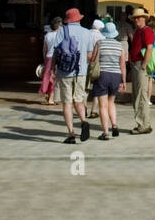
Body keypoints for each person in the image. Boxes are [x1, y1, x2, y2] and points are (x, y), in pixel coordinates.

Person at [52, 8, 95, 143]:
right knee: (79, 100)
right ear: (79, 19)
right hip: (81, 72)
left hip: (65, 72)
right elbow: (89, 55)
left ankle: (71, 134)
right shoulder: (87, 33)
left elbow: (55, 52)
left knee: (67, 103)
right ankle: (83, 121)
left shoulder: (62, 31)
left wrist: (53, 68)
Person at [88, 20, 127, 139]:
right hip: (116, 76)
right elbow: (123, 65)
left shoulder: (100, 43)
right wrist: (124, 81)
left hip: (102, 75)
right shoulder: (120, 46)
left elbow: (93, 59)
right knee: (111, 102)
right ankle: (114, 125)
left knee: (102, 105)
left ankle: (105, 132)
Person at [127, 7, 155, 134]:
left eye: (138, 18)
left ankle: (143, 125)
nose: (136, 20)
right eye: (135, 18)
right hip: (136, 64)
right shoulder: (138, 31)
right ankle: (144, 123)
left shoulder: (147, 31)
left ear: (144, 18)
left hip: (140, 65)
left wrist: (144, 64)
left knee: (140, 96)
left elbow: (149, 48)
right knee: (137, 95)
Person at [39, 16, 61, 105]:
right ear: (59, 26)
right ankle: (51, 99)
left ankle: (48, 96)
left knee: (48, 77)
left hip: (48, 57)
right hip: (56, 58)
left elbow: (44, 49)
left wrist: (45, 59)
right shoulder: (60, 35)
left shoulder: (47, 35)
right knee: (54, 78)